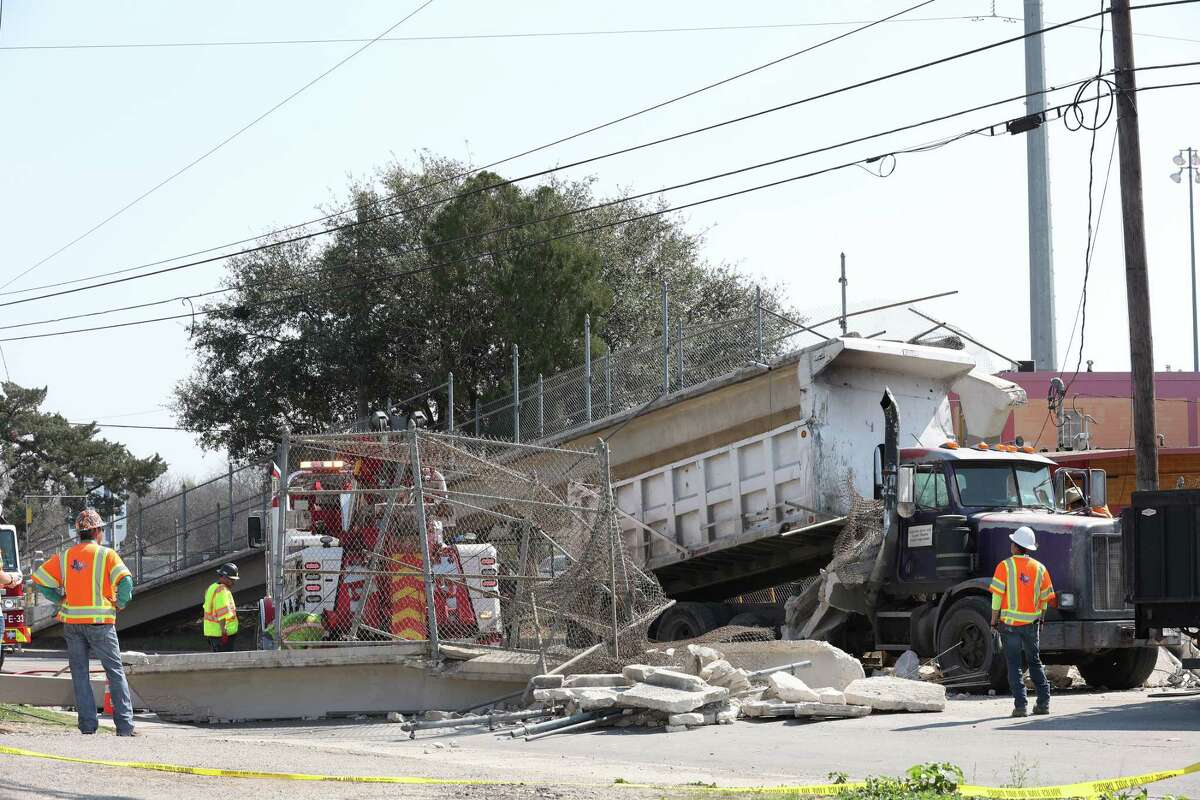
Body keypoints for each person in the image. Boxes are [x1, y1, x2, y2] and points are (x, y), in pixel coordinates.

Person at [31, 509, 137, 736]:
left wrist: (58, 598)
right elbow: (126, 581)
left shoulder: (66, 557)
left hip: (72, 624)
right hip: (100, 623)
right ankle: (125, 727)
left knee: (80, 674)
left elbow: (39, 579)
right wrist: (120, 603)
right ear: (98, 531)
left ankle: (88, 726)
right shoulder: (107, 555)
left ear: (79, 533)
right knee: (115, 672)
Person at [988, 526, 1057, 718]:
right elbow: (1045, 599)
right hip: (1032, 625)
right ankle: (1043, 703)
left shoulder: (1004, 566)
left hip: (1010, 626)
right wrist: (1041, 619)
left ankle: (1020, 706)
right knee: (1034, 662)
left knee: (1014, 665)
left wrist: (993, 621)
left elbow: (996, 598)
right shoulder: (1040, 568)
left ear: (1015, 547)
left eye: (1012, 542)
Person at [202, 563, 241, 652]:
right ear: (224, 577)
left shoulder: (212, 587)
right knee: (227, 662)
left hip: (212, 633)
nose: (233, 582)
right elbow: (222, 614)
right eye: (232, 580)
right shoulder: (222, 591)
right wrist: (224, 632)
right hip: (222, 635)